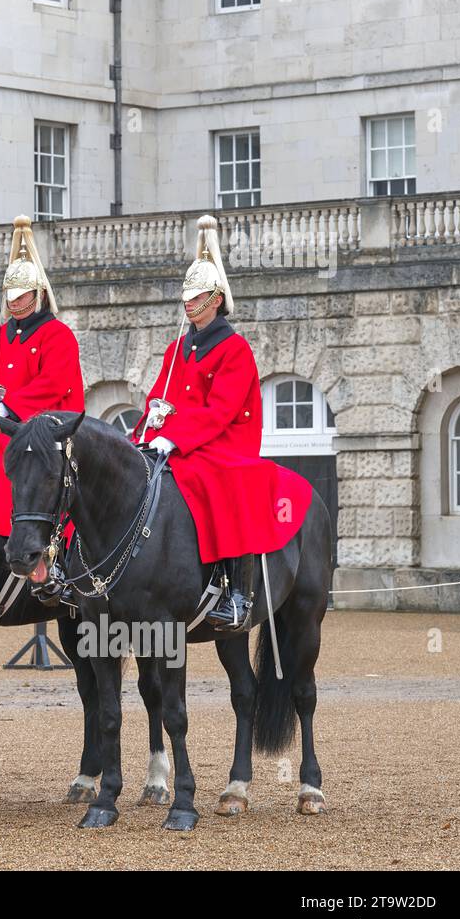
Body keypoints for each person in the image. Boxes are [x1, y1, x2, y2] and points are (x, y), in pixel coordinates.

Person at [133, 215, 313, 631]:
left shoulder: (234, 349)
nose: (188, 304)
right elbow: (159, 396)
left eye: (197, 297)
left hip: (223, 443)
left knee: (225, 482)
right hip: (172, 439)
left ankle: (236, 592)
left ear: (216, 299)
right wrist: (148, 430)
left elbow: (220, 411)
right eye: (186, 297)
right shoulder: (177, 348)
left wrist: (174, 439)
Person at [0, 216, 84, 538]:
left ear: (37, 293)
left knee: (5, 462)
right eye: (10, 295)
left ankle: (4, 532)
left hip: (38, 429)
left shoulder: (58, 335)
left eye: (21, 295)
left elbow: (54, 384)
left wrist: (7, 406)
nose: (14, 302)